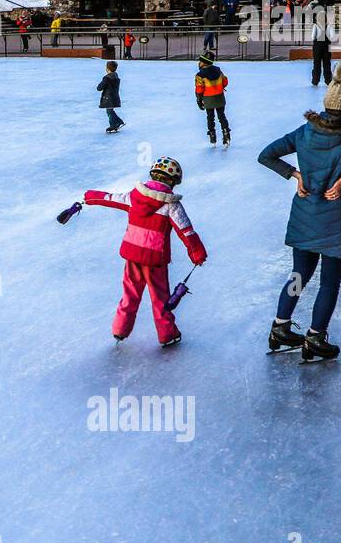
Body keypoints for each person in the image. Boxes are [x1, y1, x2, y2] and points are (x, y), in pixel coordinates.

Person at [258, 63, 341, 361]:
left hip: (304, 216)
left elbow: (266, 155)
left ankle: (280, 327)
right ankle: (315, 337)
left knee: (298, 276)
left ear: (328, 101)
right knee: (329, 282)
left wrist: (294, 174)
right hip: (336, 223)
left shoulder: (305, 131)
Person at [81, 156, 207, 347]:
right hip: (154, 260)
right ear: (172, 182)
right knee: (160, 299)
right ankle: (167, 334)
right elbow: (186, 231)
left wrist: (90, 196)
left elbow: (110, 198)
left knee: (130, 294)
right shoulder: (171, 205)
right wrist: (197, 253)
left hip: (132, 257)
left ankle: (120, 329)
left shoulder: (134, 196)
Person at [194, 51, 231, 147]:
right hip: (219, 97)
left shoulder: (200, 75)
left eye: (200, 61)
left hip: (208, 99)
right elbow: (225, 82)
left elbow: (199, 89)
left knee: (210, 117)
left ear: (204, 62)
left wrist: (199, 100)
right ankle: (226, 135)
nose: (199, 63)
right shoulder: (218, 70)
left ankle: (212, 137)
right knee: (221, 116)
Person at [97, 60, 124, 133]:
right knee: (110, 111)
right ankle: (118, 121)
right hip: (114, 96)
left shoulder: (107, 78)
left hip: (108, 98)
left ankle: (114, 124)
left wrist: (99, 86)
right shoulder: (116, 76)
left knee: (109, 111)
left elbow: (100, 87)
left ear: (107, 69)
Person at [310, 10, 333, 86]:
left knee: (316, 64)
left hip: (317, 46)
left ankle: (315, 81)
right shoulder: (329, 25)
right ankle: (328, 80)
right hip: (327, 46)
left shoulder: (315, 26)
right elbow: (332, 37)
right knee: (327, 63)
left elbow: (312, 37)